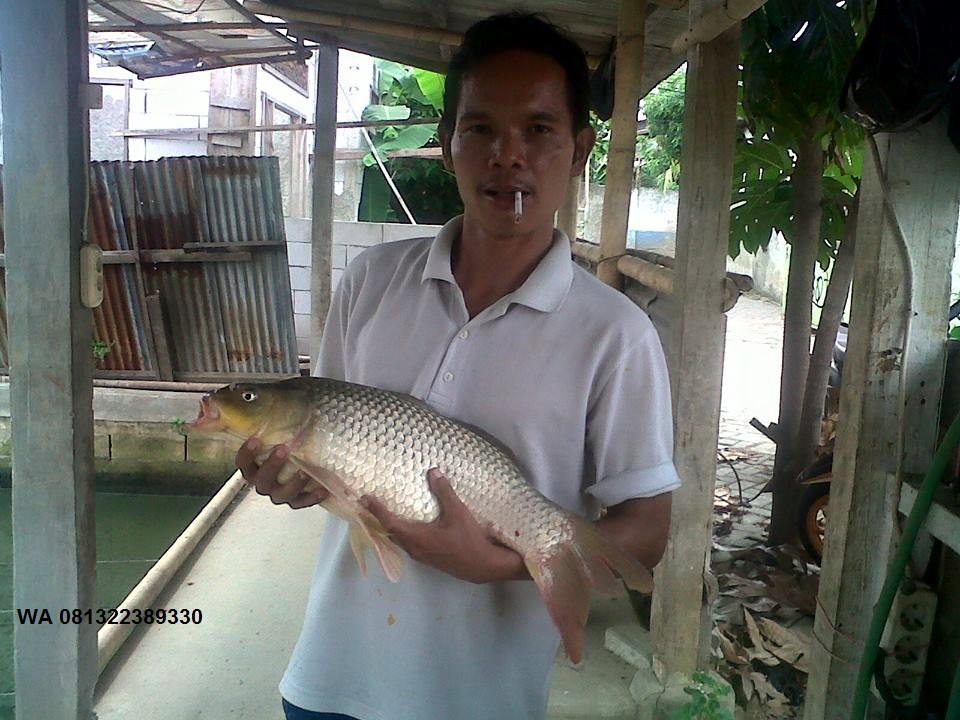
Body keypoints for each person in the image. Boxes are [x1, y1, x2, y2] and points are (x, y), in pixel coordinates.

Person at [236, 13, 680, 720]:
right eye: (479, 129)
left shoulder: (616, 335)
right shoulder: (371, 281)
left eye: (538, 130)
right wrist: (295, 481)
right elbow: (332, 453)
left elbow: (648, 527)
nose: (508, 155)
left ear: (578, 150)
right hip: (329, 678)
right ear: (447, 146)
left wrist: (498, 562)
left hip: (479, 698)